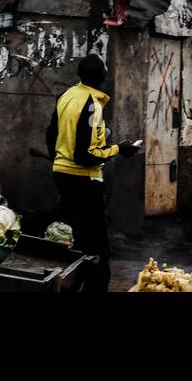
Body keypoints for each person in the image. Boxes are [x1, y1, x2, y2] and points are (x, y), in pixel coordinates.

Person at [46, 54, 140, 292]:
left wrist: (57, 161)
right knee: (99, 248)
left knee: (78, 239)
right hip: (84, 179)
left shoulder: (65, 96)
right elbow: (85, 156)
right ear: (103, 77)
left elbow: (51, 135)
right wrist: (120, 149)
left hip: (62, 175)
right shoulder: (92, 105)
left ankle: (73, 283)